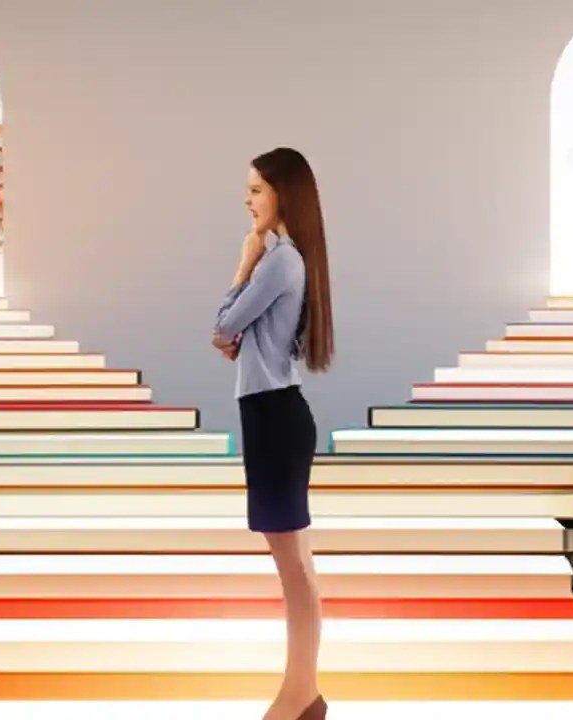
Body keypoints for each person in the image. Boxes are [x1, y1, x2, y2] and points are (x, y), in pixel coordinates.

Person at [213, 147, 335, 720]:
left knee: (294, 568)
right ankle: (302, 692)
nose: (248, 199)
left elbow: (223, 326)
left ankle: (300, 694)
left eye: (257, 189)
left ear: (283, 193)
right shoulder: (286, 260)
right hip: (274, 413)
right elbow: (231, 336)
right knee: (297, 566)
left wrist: (243, 262)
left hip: (274, 417)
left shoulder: (278, 261)